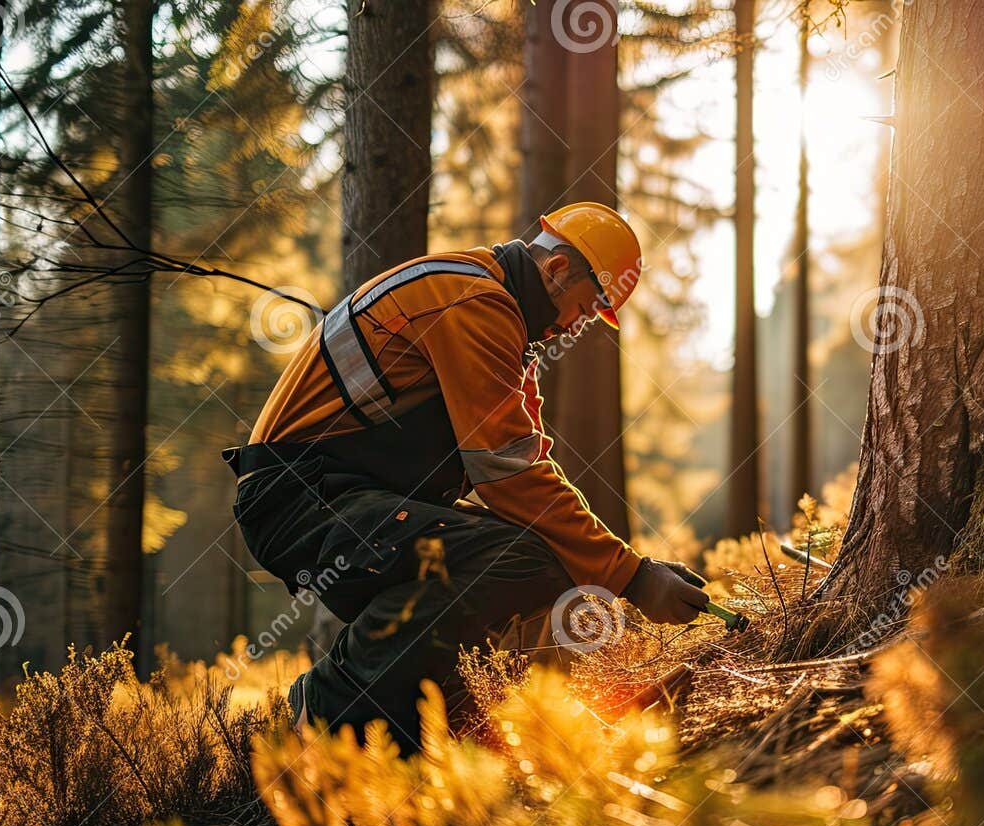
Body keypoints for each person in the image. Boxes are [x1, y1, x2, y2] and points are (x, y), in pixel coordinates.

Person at [223, 203, 709, 749]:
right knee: (512, 560)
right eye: (585, 308)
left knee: (534, 557)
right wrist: (633, 577)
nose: (577, 325)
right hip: (299, 501)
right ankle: (327, 704)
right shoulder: (478, 304)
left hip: (343, 496)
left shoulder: (495, 311)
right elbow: (509, 475)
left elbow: (526, 462)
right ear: (555, 272)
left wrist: (625, 567)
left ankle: (505, 726)